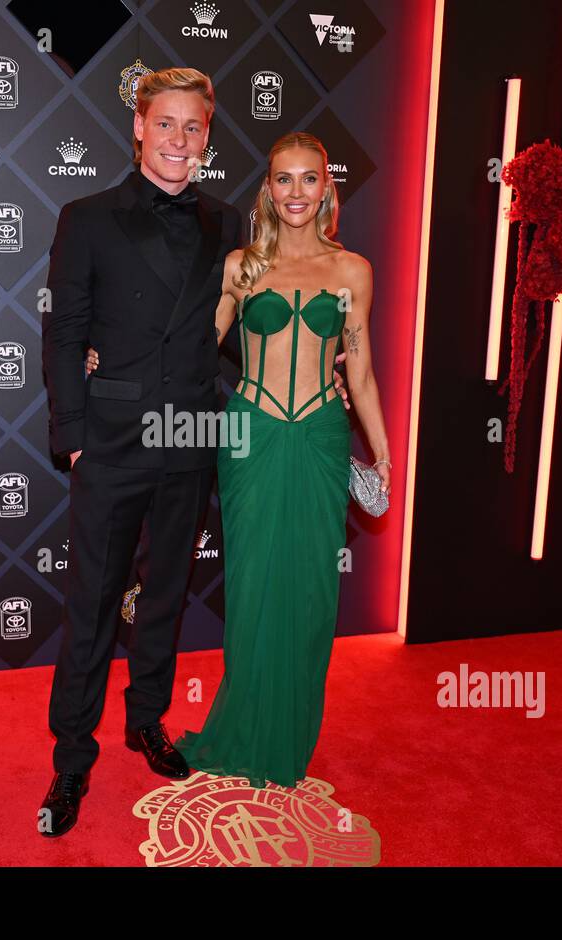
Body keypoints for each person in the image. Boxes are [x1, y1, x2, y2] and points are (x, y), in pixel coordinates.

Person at [86, 131, 392, 789]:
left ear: (327, 189)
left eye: (310, 179)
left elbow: (360, 370)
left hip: (320, 438)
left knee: (311, 595)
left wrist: (384, 451)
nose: (296, 193)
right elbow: (190, 347)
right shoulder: (240, 268)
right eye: (284, 180)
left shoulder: (353, 271)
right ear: (268, 190)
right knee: (253, 590)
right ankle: (243, 727)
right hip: (250, 436)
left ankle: (289, 736)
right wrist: (107, 354)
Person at [38, 67, 246, 838]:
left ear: (208, 138)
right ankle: (69, 757)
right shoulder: (86, 216)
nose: (179, 141)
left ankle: (148, 720)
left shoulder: (226, 223)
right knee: (92, 603)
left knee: (163, 596)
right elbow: (63, 333)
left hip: (190, 435)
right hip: (115, 440)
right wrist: (74, 440)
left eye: (193, 128)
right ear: (138, 127)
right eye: (166, 124)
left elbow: (230, 332)